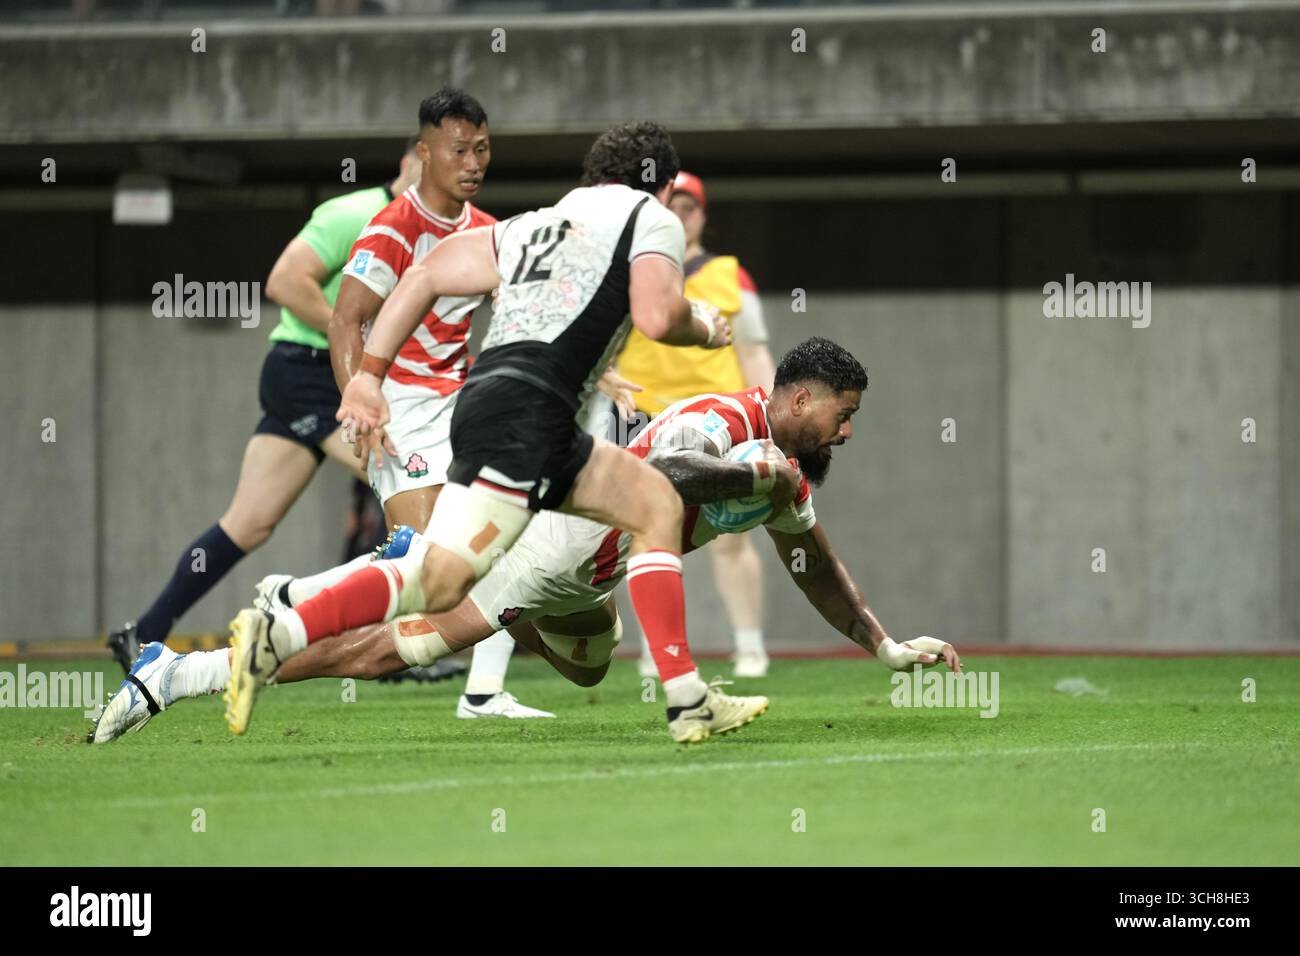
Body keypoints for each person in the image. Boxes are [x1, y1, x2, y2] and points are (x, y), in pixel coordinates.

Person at [92, 339, 961, 746]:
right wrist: (751, 483)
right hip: (551, 545)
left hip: (591, 583)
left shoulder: (787, 476)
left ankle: (333, 599)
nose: (847, 434)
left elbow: (817, 567)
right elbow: (672, 475)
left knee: (586, 666)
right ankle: (185, 669)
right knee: (378, 654)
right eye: (844, 417)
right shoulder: (722, 422)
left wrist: (884, 645)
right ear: (803, 401)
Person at [221, 120, 762, 740]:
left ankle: (283, 626)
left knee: (644, 505)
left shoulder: (538, 221)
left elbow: (426, 275)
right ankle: (287, 624)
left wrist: (370, 374)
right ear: (662, 185)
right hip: (531, 413)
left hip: (494, 403)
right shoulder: (651, 215)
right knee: (442, 577)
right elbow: (658, 314)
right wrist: (703, 324)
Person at [104, 137, 421, 673]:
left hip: (331, 376)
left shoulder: (429, 230)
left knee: (247, 524)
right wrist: (353, 335)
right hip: (306, 372)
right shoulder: (356, 212)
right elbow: (283, 282)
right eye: (441, 153)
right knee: (404, 476)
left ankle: (143, 632)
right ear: (411, 159)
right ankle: (384, 635)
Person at [615, 170, 778, 678]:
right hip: (643, 416)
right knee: (646, 528)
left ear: (703, 215)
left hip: (717, 417)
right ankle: (655, 649)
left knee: (733, 530)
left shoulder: (731, 275)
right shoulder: (632, 272)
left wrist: (769, 420)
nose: (680, 216)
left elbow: (754, 352)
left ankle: (749, 646)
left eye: (690, 207)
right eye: (671, 205)